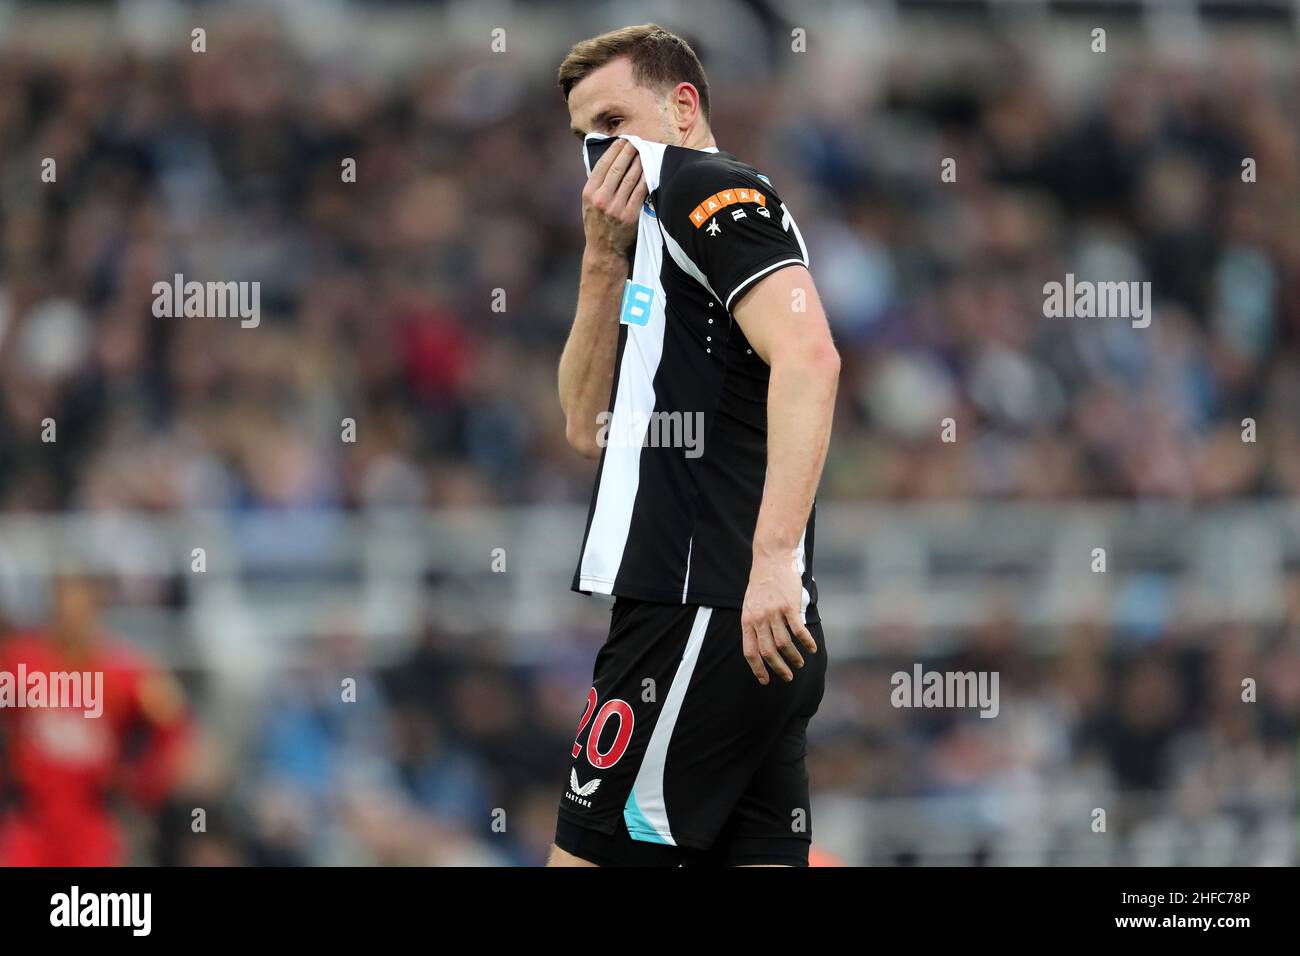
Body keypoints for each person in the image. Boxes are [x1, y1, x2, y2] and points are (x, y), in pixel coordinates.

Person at [551, 24, 840, 866]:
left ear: (682, 108)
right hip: (743, 622)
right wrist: (602, 261)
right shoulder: (647, 236)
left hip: (698, 610)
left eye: (613, 119)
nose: (597, 149)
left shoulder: (703, 188)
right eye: (583, 136)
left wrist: (775, 556)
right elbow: (582, 422)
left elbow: (811, 356)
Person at [0, 574, 192, 866]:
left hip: (91, 821)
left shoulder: (122, 671)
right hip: (31, 819)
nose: (70, 619)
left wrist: (141, 783)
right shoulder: (20, 663)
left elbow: (173, 722)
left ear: (95, 612)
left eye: (79, 609)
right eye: (62, 608)